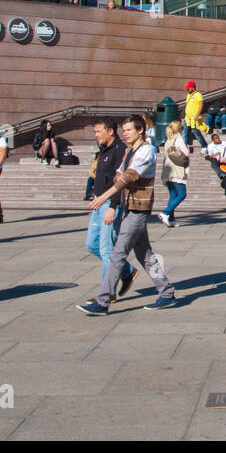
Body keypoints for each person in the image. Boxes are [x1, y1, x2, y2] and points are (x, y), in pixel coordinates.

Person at [77, 115, 177, 314]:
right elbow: (119, 173)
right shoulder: (130, 150)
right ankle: (166, 292)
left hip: (138, 210)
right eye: (124, 130)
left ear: (140, 130)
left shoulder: (147, 150)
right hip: (130, 207)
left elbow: (128, 176)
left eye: (129, 130)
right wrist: (120, 178)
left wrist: (106, 195)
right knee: (145, 255)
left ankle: (103, 300)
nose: (126, 134)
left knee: (117, 254)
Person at [85, 118, 136, 295]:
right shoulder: (104, 149)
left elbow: (120, 182)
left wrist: (113, 206)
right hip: (99, 202)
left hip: (109, 204)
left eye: (99, 131)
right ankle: (126, 270)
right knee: (92, 245)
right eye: (95, 132)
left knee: (107, 250)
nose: (96, 135)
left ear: (110, 131)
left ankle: (106, 294)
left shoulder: (119, 151)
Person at [159, 119, 190, 228]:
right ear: (180, 129)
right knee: (182, 194)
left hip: (168, 170)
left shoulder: (169, 139)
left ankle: (171, 219)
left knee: (173, 194)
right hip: (177, 169)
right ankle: (166, 212)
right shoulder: (179, 138)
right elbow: (185, 153)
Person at [182, 81, 208, 148]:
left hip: (194, 117)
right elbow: (187, 106)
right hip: (187, 117)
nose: (187, 90)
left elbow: (201, 106)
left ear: (193, 88)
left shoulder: (198, 95)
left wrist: (197, 115)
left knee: (196, 133)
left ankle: (204, 146)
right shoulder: (188, 95)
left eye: (188, 88)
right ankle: (184, 147)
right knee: (184, 133)